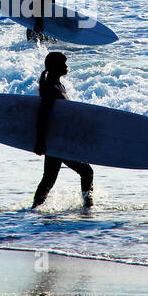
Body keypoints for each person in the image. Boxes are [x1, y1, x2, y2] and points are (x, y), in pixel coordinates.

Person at [31, 51, 94, 209]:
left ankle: (35, 207)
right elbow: (43, 115)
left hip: (60, 139)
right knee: (86, 171)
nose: (67, 66)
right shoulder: (51, 88)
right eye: (63, 63)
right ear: (54, 67)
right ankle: (88, 206)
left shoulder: (59, 85)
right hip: (56, 141)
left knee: (49, 178)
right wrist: (40, 141)